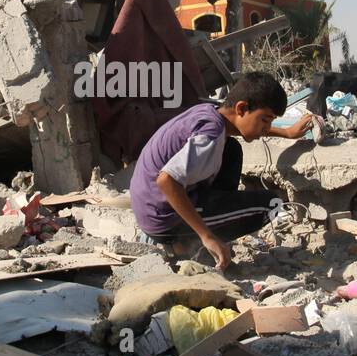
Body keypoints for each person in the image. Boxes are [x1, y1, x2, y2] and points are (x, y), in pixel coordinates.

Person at [130, 71, 313, 270]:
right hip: (162, 218)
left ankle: (201, 230)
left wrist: (286, 132)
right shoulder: (210, 135)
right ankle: (187, 245)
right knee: (271, 204)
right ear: (241, 108)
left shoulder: (211, 112)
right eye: (265, 120)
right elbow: (166, 180)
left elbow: (243, 126)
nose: (267, 127)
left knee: (232, 149)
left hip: (152, 204)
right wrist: (206, 236)